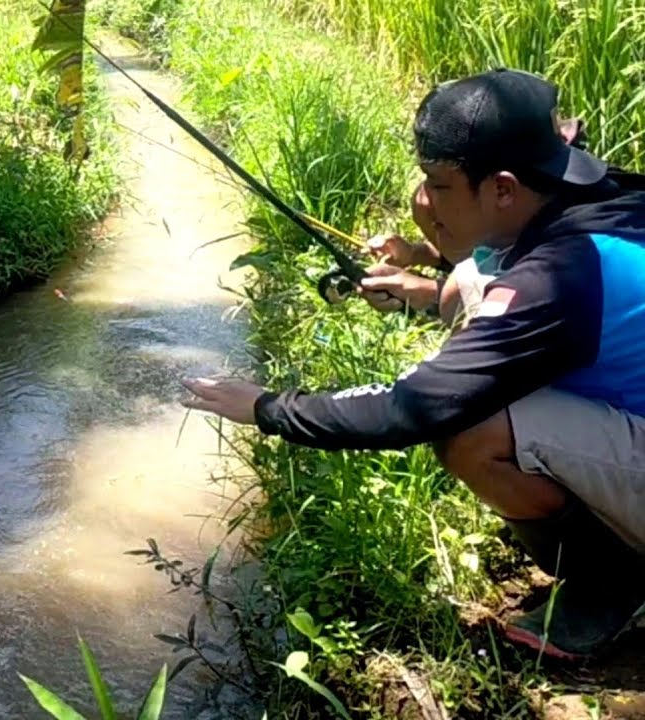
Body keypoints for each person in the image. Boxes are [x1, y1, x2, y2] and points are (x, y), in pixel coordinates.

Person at [181, 68, 645, 662]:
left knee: (469, 431)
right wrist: (422, 282)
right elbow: (484, 268)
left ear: (503, 189)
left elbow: (415, 406)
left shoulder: (560, 279)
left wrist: (269, 408)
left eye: (437, 183)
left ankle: (610, 585)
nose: (424, 199)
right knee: (473, 279)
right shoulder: (578, 190)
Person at [359, 117, 590, 327]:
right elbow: (481, 253)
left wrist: (427, 292)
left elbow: (504, 302)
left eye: (439, 185)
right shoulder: (508, 216)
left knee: (465, 282)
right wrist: (414, 254)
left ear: (503, 189)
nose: (428, 194)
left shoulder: (551, 244)